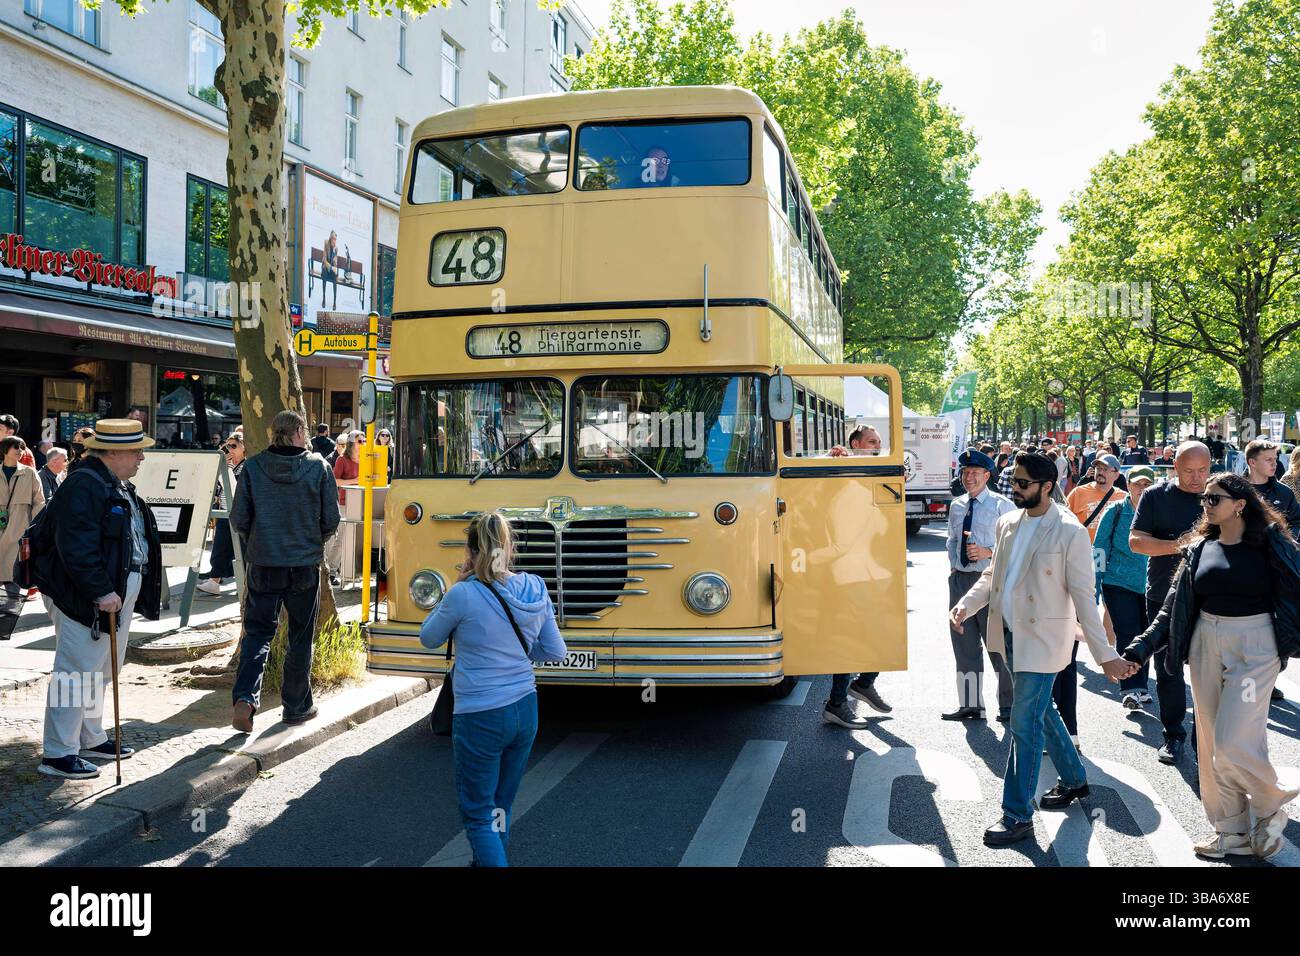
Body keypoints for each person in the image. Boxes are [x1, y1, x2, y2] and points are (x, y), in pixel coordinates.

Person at [951, 452, 1130, 846]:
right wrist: (968, 603)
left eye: (1022, 483)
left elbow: (1085, 598)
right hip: (1009, 635)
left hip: (1046, 642)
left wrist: (1106, 655)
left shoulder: (1069, 531)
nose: (1014, 488)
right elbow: (992, 574)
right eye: (1013, 481)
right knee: (1041, 711)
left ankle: (1017, 815)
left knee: (1024, 723)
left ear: (1047, 487)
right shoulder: (1007, 522)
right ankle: (1075, 779)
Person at [1121, 474, 1300, 859]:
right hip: (1205, 643)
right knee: (1209, 741)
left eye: (1213, 498)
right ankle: (1231, 832)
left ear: (1240, 503)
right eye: (1203, 499)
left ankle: (1270, 806)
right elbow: (1172, 607)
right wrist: (1139, 649)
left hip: (1255, 647)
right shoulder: (1200, 547)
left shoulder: (1272, 541)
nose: (1205, 504)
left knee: (1233, 739)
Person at [419, 511, 567, 867]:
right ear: (508, 547)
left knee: (477, 813)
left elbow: (429, 638)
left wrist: (456, 583)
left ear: (470, 552)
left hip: (481, 714)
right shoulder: (534, 586)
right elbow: (555, 651)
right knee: (501, 802)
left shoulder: (463, 595)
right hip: (525, 709)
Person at [34, 420, 162, 778]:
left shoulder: (108, 482)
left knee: (100, 670)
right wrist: (100, 590)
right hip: (87, 596)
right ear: (114, 452)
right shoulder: (85, 485)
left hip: (109, 594)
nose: (141, 457)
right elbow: (76, 545)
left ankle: (90, 737)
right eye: (137, 451)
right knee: (74, 673)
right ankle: (58, 752)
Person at [228, 410, 340, 733]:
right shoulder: (318, 467)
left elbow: (239, 519)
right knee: (300, 635)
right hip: (303, 564)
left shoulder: (252, 468)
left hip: (264, 563)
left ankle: (246, 699)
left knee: (258, 633)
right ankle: (296, 706)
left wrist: (256, 546)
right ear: (299, 432)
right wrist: (312, 542)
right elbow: (331, 519)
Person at [1129, 440, 1211, 764]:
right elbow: (1136, 542)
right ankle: (1173, 735)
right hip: (1164, 597)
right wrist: (1183, 545)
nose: (1196, 477)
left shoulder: (1218, 497)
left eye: (1203, 470)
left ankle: (1203, 743)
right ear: (1174, 466)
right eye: (1189, 470)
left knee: (1208, 675)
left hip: (1209, 601)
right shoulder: (1155, 496)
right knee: (1169, 671)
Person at [822, 426, 892, 725]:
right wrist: (832, 457)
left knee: (877, 634)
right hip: (849, 574)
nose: (878, 447)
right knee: (860, 637)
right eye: (872, 442)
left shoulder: (871, 475)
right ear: (855, 444)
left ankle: (859, 685)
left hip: (867, 572)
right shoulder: (845, 478)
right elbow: (818, 478)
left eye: (879, 442)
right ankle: (841, 699)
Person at [942, 448, 1016, 722]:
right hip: (960, 581)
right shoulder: (957, 505)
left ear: (987, 475)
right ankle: (971, 705)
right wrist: (953, 564)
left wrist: (987, 553)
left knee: (997, 645)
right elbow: (951, 540)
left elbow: (1014, 546)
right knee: (964, 645)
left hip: (990, 583)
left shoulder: (1001, 506)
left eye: (975, 473)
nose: (969, 477)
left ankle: (1008, 705)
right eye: (965, 473)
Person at [1095, 467, 1155, 710]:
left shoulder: (1157, 512)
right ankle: (1132, 689)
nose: (1142, 489)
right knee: (1128, 632)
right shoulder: (1116, 511)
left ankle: (1141, 686)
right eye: (1137, 484)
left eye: (1146, 484)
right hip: (1118, 582)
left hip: (1151, 586)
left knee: (1146, 636)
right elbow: (1099, 549)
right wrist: (1095, 584)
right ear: (1128, 485)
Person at [198, 435, 245, 596]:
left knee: (241, 552)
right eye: (227, 446)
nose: (229, 449)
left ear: (243, 448)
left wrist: (227, 470)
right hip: (226, 512)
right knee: (220, 548)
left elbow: (236, 489)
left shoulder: (245, 466)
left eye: (233, 446)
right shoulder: (230, 465)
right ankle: (214, 581)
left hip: (240, 514)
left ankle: (220, 581)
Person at [1, 437, 46, 606]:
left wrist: (33, 526)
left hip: (20, 523)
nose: (20, 451)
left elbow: (39, 501)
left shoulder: (29, 472)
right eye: (16, 448)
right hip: (1, 521)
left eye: (22, 448)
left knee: (12, 562)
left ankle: (12, 601)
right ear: (5, 450)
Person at [1244, 438, 1300, 533]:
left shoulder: (1285, 492)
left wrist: (1284, 543)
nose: (1275, 464)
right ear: (1252, 462)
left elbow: (1296, 523)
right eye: (1268, 459)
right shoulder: (1234, 491)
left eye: (1275, 459)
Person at [1066, 453, 1122, 543]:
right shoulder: (1078, 493)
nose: (1100, 472)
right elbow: (1063, 523)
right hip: (1083, 551)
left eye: (1105, 469)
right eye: (1098, 468)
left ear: (1116, 475)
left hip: (1111, 554)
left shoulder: (1124, 497)